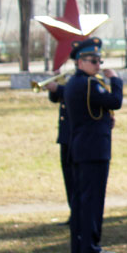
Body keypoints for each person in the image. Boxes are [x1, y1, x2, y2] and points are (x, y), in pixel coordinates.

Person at [62, 38, 123, 253]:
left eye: (99, 61)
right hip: (93, 149)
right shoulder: (89, 84)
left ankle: (78, 245)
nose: (98, 65)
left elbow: (91, 114)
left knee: (81, 200)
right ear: (80, 62)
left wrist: (104, 121)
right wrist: (116, 80)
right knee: (92, 199)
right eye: (93, 61)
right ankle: (90, 246)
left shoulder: (72, 83)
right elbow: (115, 101)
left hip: (81, 146)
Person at [45, 74, 73, 225]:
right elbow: (55, 99)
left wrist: (59, 88)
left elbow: (77, 93)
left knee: (77, 178)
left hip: (76, 136)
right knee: (68, 176)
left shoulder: (86, 77)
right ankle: (74, 212)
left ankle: (79, 214)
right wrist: (54, 87)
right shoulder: (71, 76)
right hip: (65, 135)